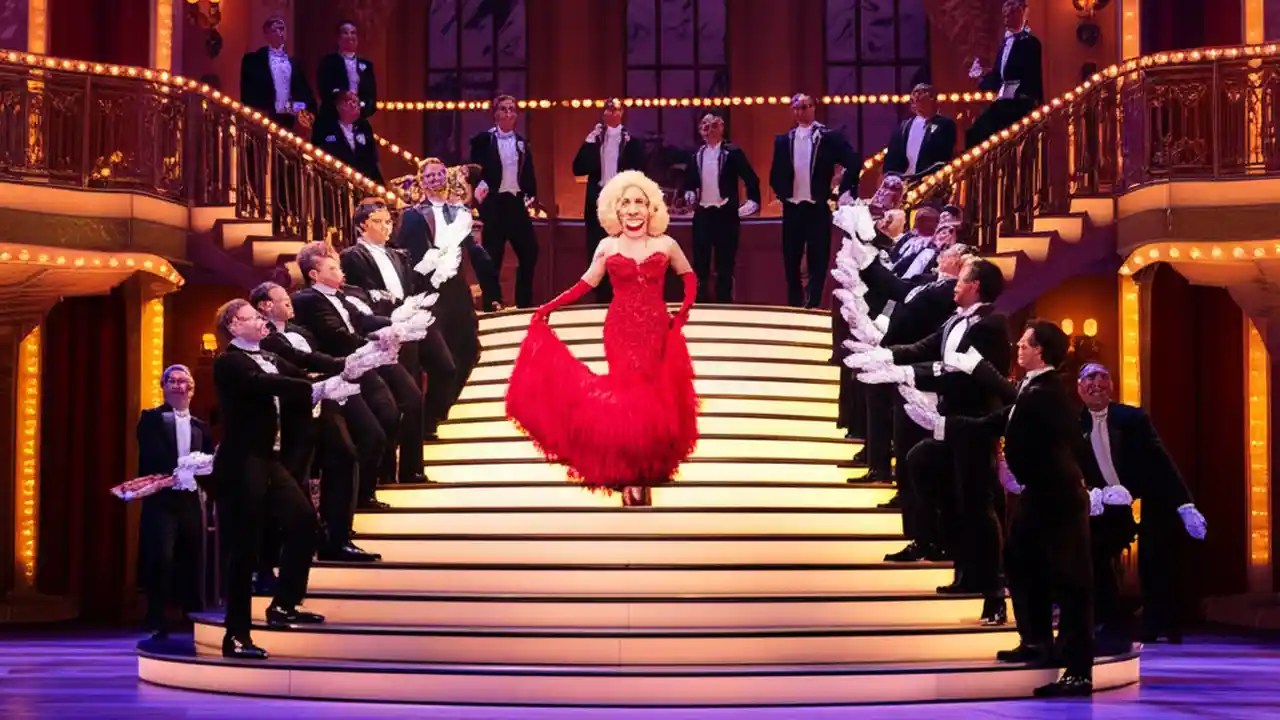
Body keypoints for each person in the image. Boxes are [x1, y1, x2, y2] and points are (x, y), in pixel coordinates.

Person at [915, 321, 1102, 697]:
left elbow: (1074, 440)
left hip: (1060, 498)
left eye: (1026, 342)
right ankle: (1036, 642)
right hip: (1038, 495)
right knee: (1019, 564)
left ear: (1041, 351)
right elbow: (991, 424)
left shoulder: (1048, 393)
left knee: (1070, 580)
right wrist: (939, 426)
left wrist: (1098, 484)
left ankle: (1078, 670)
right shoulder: (1030, 389)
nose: (1019, 344)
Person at [505, 170, 698, 507]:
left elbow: (689, 278)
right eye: (626, 203)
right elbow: (586, 283)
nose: (634, 209)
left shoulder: (666, 243)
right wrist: (548, 307)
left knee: (652, 401)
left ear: (652, 208)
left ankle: (644, 472)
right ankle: (629, 475)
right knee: (626, 401)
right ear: (616, 210)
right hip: (620, 330)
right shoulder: (607, 246)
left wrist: (681, 315)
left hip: (657, 330)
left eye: (640, 202)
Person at [848, 258, 1011, 624]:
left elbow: (965, 376)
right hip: (947, 423)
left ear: (976, 285)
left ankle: (994, 593)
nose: (954, 283)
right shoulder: (954, 319)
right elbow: (925, 347)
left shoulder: (992, 324)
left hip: (974, 425)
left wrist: (906, 373)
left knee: (978, 508)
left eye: (962, 279)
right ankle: (962, 570)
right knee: (923, 464)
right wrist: (885, 356)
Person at [208, 299, 324, 660]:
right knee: (245, 548)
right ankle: (236, 635)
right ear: (232, 324)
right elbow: (264, 384)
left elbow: (301, 375)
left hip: (269, 459)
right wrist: (310, 389)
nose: (261, 321)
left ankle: (285, 603)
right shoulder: (228, 362)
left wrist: (346, 370)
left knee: (304, 522)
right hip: (242, 461)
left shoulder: (271, 356)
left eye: (259, 316)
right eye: (252, 317)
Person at [253, 281, 385, 560]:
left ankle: (336, 536)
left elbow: (312, 357)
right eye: (282, 299)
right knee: (295, 475)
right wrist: (343, 364)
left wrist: (347, 364)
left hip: (325, 401)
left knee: (345, 456)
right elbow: (299, 361)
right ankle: (284, 548)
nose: (289, 302)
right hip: (292, 413)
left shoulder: (300, 331)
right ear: (265, 306)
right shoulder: (265, 339)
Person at [1077, 363, 1207, 644]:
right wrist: (1089, 492)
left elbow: (1161, 461)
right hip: (1104, 501)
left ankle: (1163, 621)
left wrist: (1185, 504)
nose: (1096, 383)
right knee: (1096, 556)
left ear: (1111, 386)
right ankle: (1108, 619)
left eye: (1103, 377)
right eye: (1089, 377)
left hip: (1148, 494)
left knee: (1156, 556)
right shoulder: (1074, 424)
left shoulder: (1131, 418)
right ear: (1079, 387)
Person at [291, 242, 427, 485]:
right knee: (382, 418)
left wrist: (396, 324)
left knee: (404, 404)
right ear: (314, 274)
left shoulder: (341, 295)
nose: (340, 273)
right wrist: (373, 344)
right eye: (332, 269)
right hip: (346, 365)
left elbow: (363, 320)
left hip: (367, 357)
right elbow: (333, 334)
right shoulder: (306, 299)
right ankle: (372, 479)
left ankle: (394, 472)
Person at [392, 161, 491, 435]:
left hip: (456, 290)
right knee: (440, 360)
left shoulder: (458, 212)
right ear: (421, 181)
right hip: (426, 291)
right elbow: (404, 254)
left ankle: (436, 411)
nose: (435, 178)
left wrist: (486, 284)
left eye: (439, 173)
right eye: (429, 175)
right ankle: (425, 421)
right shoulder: (412, 215)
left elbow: (473, 248)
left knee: (470, 350)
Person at [136, 365, 214, 639]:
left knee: (191, 555)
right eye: (173, 381)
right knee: (161, 557)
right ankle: (156, 616)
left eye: (184, 381)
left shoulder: (200, 425)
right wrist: (178, 470)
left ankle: (191, 614)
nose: (179, 386)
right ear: (164, 386)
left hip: (190, 498)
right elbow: (150, 455)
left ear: (192, 389)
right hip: (162, 499)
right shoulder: (151, 419)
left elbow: (208, 462)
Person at [769, 93, 863, 308]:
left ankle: (812, 304)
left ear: (813, 108)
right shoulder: (784, 140)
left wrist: (844, 189)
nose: (800, 111)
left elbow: (853, 162)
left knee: (818, 260)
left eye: (805, 107)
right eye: (796, 108)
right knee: (791, 259)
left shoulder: (829, 137)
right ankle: (794, 304)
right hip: (792, 208)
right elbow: (775, 173)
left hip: (817, 207)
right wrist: (783, 194)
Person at [681, 113, 761, 304]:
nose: (709, 130)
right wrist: (690, 193)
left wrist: (753, 201)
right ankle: (701, 300)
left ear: (721, 127)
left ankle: (724, 301)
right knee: (701, 259)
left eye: (713, 126)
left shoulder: (732, 153)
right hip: (703, 214)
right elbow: (690, 181)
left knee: (725, 261)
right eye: (705, 126)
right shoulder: (697, 155)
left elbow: (751, 178)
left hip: (725, 214)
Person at [573, 98, 646, 303]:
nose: (612, 113)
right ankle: (601, 299)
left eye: (616, 109)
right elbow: (578, 168)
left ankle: (624, 296)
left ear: (622, 113)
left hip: (622, 204)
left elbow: (639, 173)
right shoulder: (595, 139)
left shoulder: (631, 141)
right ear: (603, 113)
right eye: (608, 109)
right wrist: (589, 142)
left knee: (624, 250)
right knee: (598, 250)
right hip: (598, 203)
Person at [470, 94, 539, 308]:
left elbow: (528, 172)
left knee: (530, 251)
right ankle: (493, 302)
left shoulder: (520, 142)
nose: (509, 113)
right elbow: (474, 169)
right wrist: (480, 185)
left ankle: (524, 304)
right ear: (495, 114)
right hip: (494, 204)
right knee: (492, 257)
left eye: (512, 109)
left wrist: (531, 194)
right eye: (504, 109)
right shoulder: (484, 140)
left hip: (516, 203)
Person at [966, 0, 1044, 148]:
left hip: (1020, 103)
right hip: (1004, 101)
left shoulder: (1030, 43)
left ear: (1020, 13)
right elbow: (998, 75)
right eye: (1004, 16)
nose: (1006, 20)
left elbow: (1029, 75)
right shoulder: (1005, 44)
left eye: (1010, 15)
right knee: (974, 133)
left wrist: (1032, 101)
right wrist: (981, 76)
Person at [883, 84, 958, 179]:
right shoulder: (904, 126)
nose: (917, 95)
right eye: (915, 93)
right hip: (904, 180)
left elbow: (943, 154)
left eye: (922, 92)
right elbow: (892, 156)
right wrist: (891, 175)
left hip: (930, 180)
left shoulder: (944, 124)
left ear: (933, 99)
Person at [313, 91, 384, 186]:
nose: (358, 105)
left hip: (366, 186)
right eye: (353, 102)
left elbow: (373, 162)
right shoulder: (328, 130)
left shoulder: (364, 127)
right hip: (339, 187)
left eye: (357, 101)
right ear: (340, 106)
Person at [316, 19, 377, 125]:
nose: (350, 36)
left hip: (359, 119)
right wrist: (343, 98)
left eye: (353, 33)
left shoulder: (366, 65)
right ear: (338, 39)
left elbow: (371, 95)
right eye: (345, 33)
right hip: (333, 119)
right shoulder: (329, 62)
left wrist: (361, 108)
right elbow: (325, 90)